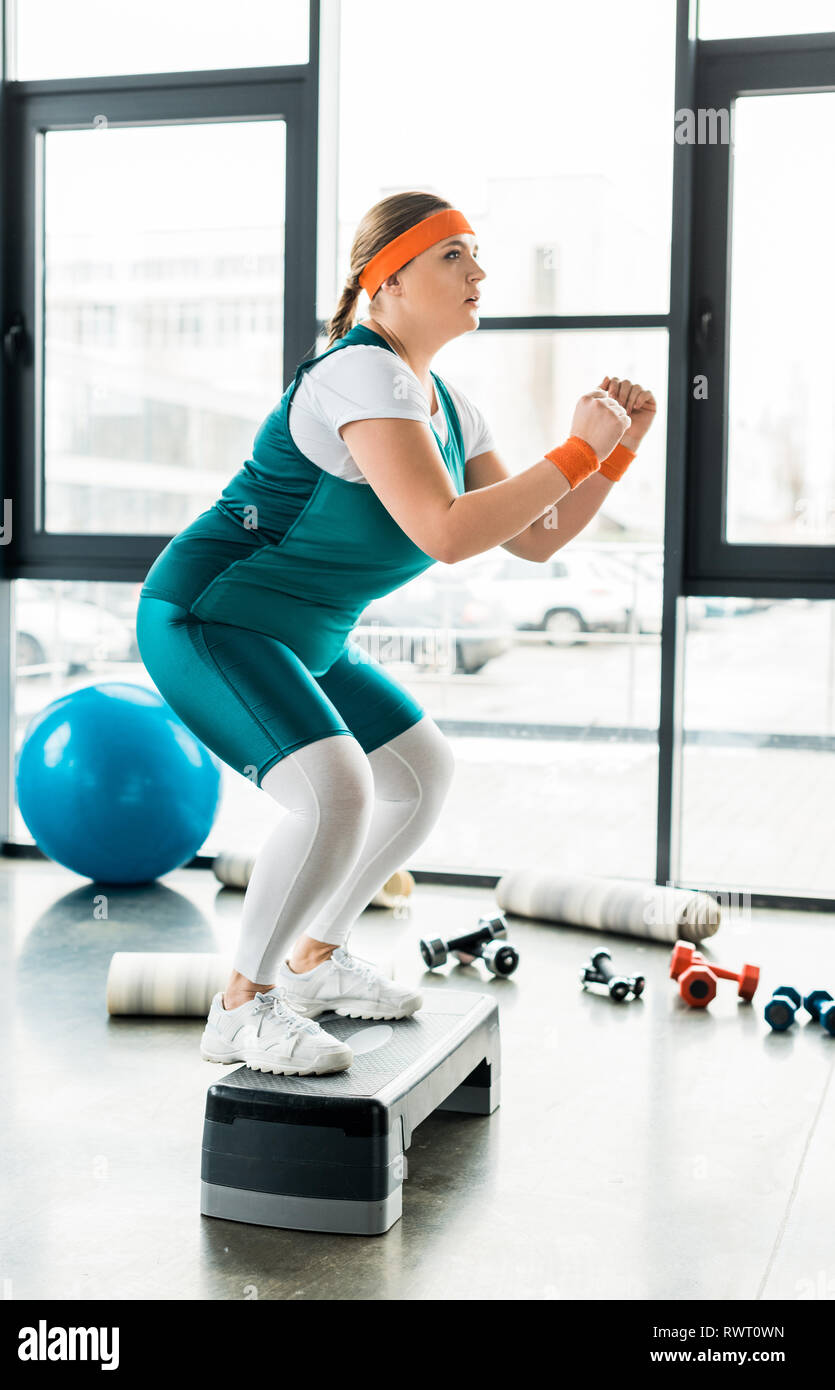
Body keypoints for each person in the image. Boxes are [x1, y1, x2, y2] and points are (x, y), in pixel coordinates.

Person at [135, 190, 657, 1077]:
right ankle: (241, 1008)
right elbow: (445, 531)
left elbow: (532, 538)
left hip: (305, 639)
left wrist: (610, 456)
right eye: (455, 254)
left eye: (476, 254)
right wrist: (572, 451)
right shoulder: (356, 373)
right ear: (388, 279)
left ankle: (312, 961)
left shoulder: (449, 405)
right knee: (334, 788)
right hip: (210, 616)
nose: (479, 272)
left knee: (417, 774)